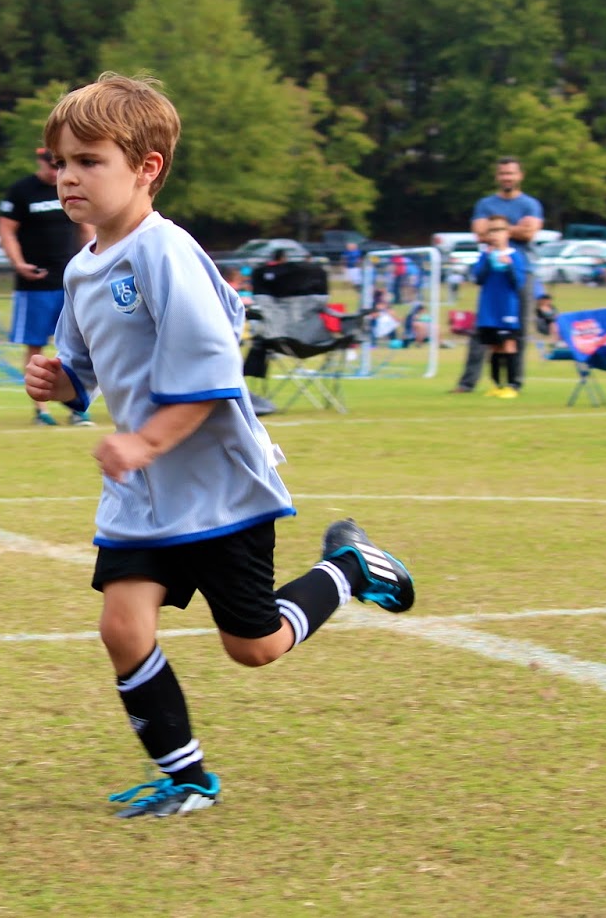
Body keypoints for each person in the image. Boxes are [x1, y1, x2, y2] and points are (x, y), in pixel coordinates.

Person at [22, 73, 415, 819]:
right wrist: (57, 382)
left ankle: (350, 568)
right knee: (121, 626)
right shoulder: (82, 269)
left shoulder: (166, 255)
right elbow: (83, 375)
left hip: (216, 486)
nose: (68, 176)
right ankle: (189, 779)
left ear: (147, 168)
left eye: (89, 160)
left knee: (255, 644)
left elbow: (212, 378)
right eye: (59, 161)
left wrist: (143, 440)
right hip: (144, 492)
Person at [0, 145, 96, 426]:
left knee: (82, 344)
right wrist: (18, 263)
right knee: (35, 347)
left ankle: (78, 407)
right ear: (40, 162)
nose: (57, 172)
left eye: (60, 166)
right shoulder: (22, 191)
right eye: (53, 166)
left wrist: (91, 261)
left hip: (71, 283)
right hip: (36, 283)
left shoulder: (70, 188)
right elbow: (5, 230)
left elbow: (86, 228)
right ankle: (42, 411)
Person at [451, 157, 544, 394]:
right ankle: (467, 383)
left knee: (518, 329)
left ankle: (515, 382)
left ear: (519, 175)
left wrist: (498, 229)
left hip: (521, 270)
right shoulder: (485, 203)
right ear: (497, 176)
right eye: (503, 174)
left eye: (511, 173)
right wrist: (513, 229)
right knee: (483, 329)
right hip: (492, 273)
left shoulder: (530, 204)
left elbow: (530, 233)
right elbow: (479, 234)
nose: (507, 178)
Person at [470, 215, 531, 398]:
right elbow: (478, 278)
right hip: (489, 309)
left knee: (509, 344)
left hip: (507, 308)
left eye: (499, 230)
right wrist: (488, 260)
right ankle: (498, 385)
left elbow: (518, 283)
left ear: (507, 233)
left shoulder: (515, 256)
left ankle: (513, 385)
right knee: (494, 346)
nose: (495, 235)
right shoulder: (485, 255)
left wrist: (509, 266)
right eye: (491, 231)